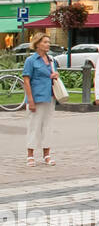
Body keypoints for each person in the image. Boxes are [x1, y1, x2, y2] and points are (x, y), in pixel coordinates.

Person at [21, 32, 60, 167]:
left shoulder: (51, 60)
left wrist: (56, 75)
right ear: (37, 44)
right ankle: (30, 155)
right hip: (36, 97)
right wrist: (30, 100)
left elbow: (53, 76)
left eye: (48, 42)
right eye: (45, 42)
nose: (47, 44)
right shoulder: (31, 61)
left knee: (48, 126)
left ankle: (47, 154)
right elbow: (26, 80)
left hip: (49, 97)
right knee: (34, 126)